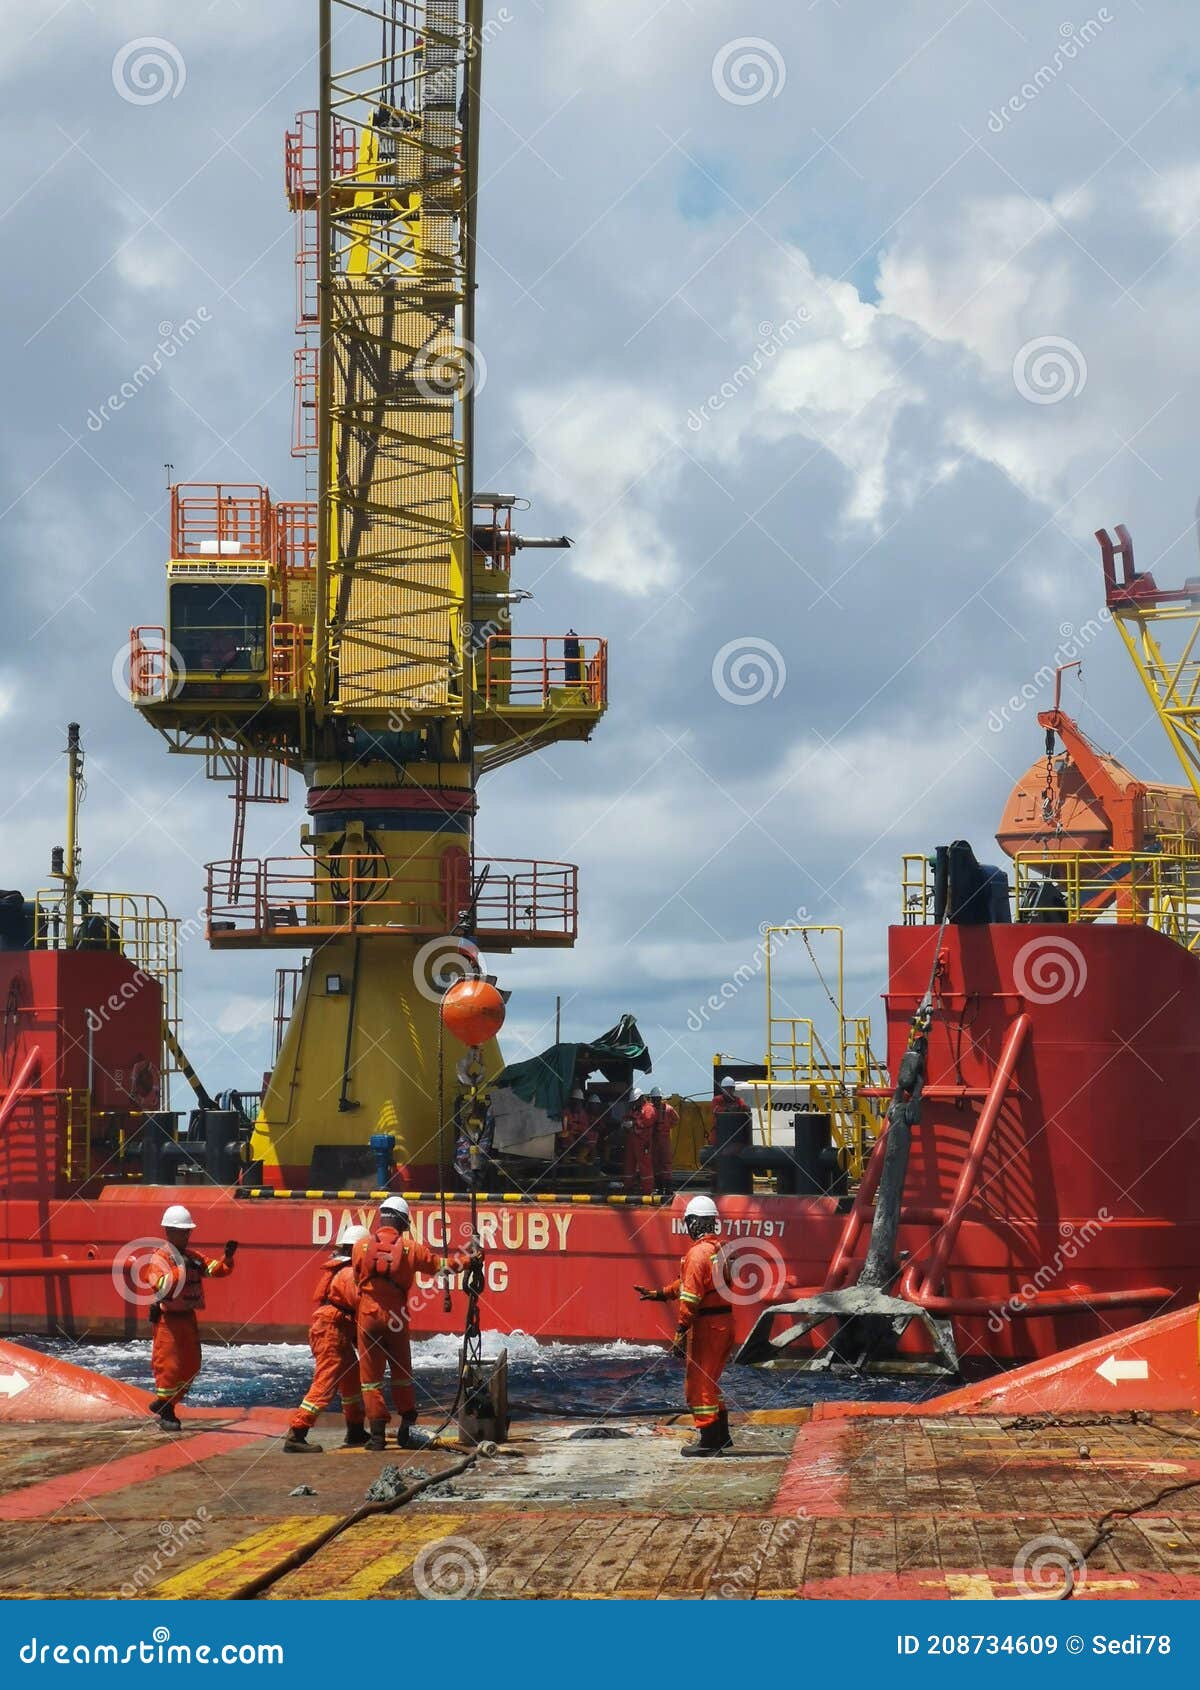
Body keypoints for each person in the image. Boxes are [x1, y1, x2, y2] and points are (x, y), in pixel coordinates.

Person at [352, 1196, 480, 1451]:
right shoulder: (412, 1249)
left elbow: (356, 1279)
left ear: (381, 1218)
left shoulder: (360, 1246)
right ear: (402, 1222)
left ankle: (377, 1437)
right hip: (396, 1318)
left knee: (370, 1379)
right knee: (402, 1375)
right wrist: (470, 1260)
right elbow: (441, 1268)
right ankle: (406, 1425)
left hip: (367, 1316)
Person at [634, 1194, 734, 1457]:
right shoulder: (718, 1250)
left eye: (689, 1222)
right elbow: (691, 1285)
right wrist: (660, 1293)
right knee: (711, 1382)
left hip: (708, 1327)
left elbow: (690, 1297)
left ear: (694, 1223)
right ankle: (721, 1436)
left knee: (698, 1385)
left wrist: (680, 1331)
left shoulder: (697, 1254)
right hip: (724, 1324)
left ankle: (709, 1442)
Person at [145, 1205, 236, 1431]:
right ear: (169, 1231)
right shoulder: (159, 1258)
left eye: (188, 1231)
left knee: (193, 1365)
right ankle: (167, 1412)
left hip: (188, 1318)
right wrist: (179, 1270)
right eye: (182, 1230)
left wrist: (228, 1257)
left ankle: (165, 1403)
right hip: (168, 1320)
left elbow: (216, 1270)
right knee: (169, 1366)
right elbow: (161, 1285)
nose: (186, 1235)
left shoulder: (192, 1256)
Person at [284, 1225, 371, 1453]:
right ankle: (296, 1433)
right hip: (331, 1332)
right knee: (325, 1383)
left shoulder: (342, 1270)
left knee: (351, 1381)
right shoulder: (349, 1274)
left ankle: (355, 1430)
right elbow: (362, 1305)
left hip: (335, 1329)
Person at [622, 1087, 655, 1195]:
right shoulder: (634, 1108)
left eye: (636, 1101)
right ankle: (628, 1187)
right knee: (629, 1164)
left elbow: (647, 1121)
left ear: (641, 1098)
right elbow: (626, 1118)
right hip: (631, 1140)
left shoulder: (648, 1108)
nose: (634, 1103)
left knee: (645, 1166)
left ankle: (647, 1190)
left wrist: (634, 1123)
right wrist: (626, 1123)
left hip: (643, 1142)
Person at [647, 1084, 678, 1193]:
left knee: (665, 1162)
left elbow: (676, 1119)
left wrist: (667, 1127)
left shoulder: (667, 1109)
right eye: (654, 1099)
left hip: (662, 1138)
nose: (656, 1100)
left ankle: (667, 1186)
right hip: (655, 1138)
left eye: (657, 1098)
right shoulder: (650, 1109)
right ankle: (660, 1186)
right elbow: (676, 1120)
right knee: (656, 1162)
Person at [711, 1074, 753, 1152]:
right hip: (720, 1136)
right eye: (727, 1089)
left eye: (731, 1089)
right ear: (722, 1090)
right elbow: (716, 1110)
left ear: (734, 1089)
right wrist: (728, 1109)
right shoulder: (717, 1100)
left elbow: (745, 1108)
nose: (729, 1091)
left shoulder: (738, 1100)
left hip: (735, 1136)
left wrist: (742, 1108)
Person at [558, 1086, 594, 1159]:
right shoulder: (565, 1112)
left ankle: (581, 1157)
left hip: (579, 1134)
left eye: (579, 1101)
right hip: (567, 1133)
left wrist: (578, 1129)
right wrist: (572, 1129)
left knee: (592, 1136)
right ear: (571, 1101)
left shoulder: (583, 1114)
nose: (577, 1103)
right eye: (575, 1101)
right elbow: (564, 1126)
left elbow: (585, 1126)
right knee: (566, 1136)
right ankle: (565, 1157)